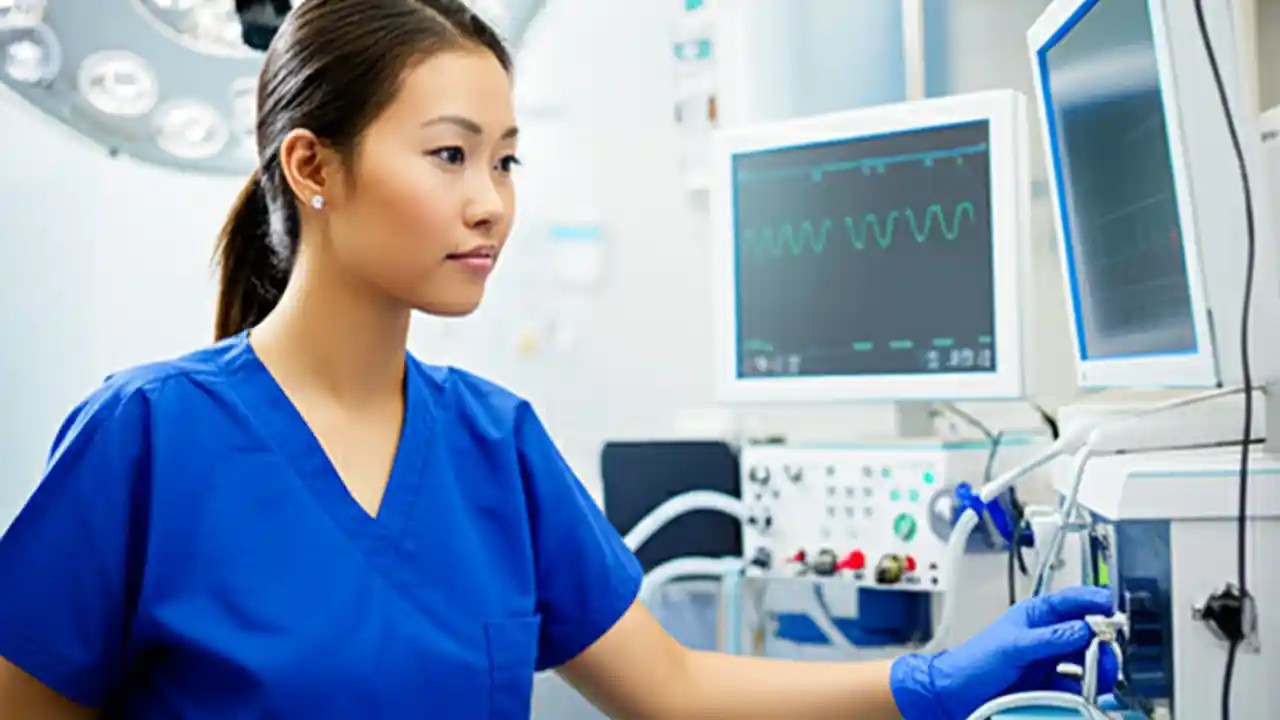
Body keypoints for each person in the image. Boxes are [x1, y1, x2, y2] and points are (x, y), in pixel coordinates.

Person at [0, 1, 1118, 717]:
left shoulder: (494, 445)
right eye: (448, 156)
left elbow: (670, 687)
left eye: (506, 159)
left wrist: (928, 682)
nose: (490, 204)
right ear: (312, 166)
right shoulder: (147, 439)